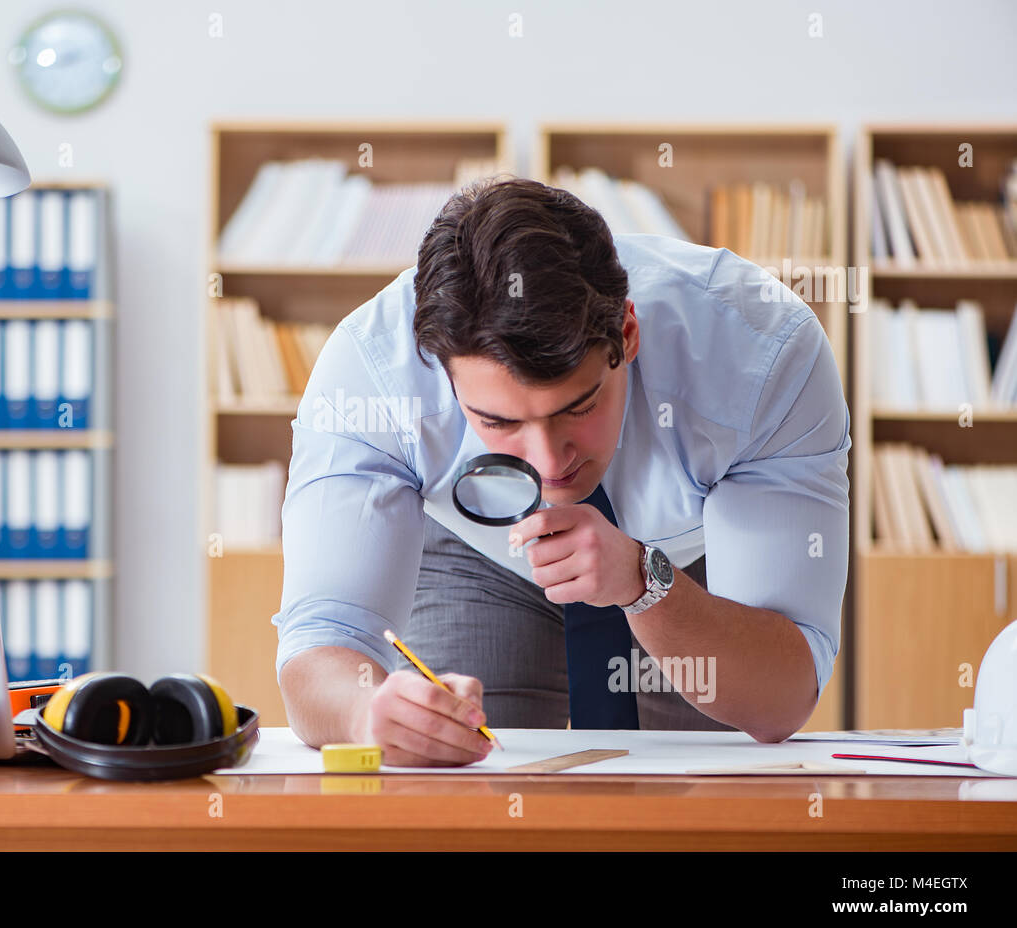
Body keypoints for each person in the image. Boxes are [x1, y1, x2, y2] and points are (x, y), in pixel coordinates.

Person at [272, 176, 850, 766]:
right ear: (440, 373)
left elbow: (780, 701)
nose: (549, 464)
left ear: (626, 334)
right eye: (497, 422)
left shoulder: (765, 351)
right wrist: (366, 713)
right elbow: (323, 637)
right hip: (480, 551)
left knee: (694, 797)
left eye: (578, 407)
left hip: (689, 556)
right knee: (461, 778)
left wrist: (644, 583)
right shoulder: (369, 371)